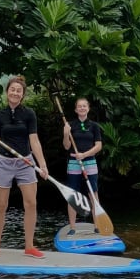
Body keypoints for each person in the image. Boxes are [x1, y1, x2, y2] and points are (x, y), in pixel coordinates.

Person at [0, 75, 50, 259]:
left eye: (18, 91)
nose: (15, 93)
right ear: (7, 92)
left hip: (26, 162)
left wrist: (42, 165)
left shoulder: (29, 114)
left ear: (22, 95)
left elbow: (34, 141)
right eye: (12, 89)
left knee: (31, 203)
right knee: (1, 205)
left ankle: (29, 246)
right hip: (4, 162)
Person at [61, 97, 103, 231]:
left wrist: (84, 155)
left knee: (93, 193)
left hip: (90, 162)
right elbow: (67, 147)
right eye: (80, 106)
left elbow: (98, 146)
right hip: (74, 162)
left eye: (84, 106)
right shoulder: (70, 125)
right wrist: (66, 134)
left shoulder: (94, 126)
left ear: (88, 108)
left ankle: (97, 225)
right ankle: (72, 227)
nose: (82, 108)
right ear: (76, 109)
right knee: (73, 193)